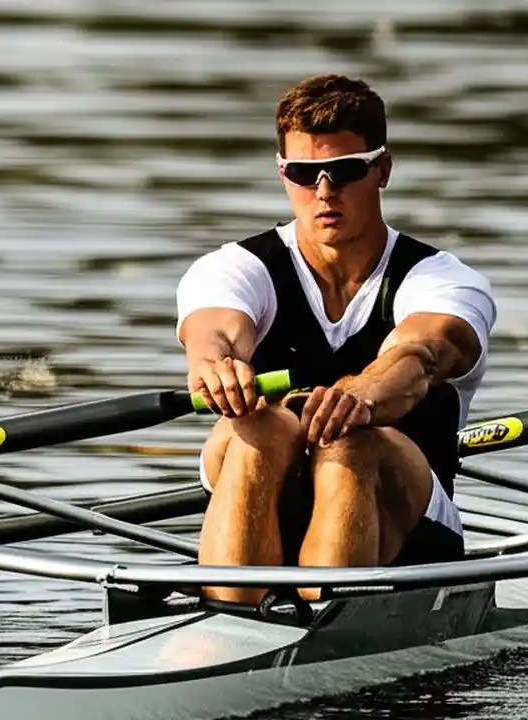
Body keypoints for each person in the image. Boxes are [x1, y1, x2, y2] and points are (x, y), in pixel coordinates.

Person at [175, 74, 496, 602]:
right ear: (283, 174)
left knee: (347, 440)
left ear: (382, 170)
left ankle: (317, 616)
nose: (324, 191)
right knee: (259, 426)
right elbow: (215, 331)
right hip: (268, 492)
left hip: (406, 527)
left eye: (345, 171)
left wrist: (364, 395)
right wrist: (213, 365)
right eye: (304, 173)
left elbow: (422, 352)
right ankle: (230, 616)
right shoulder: (233, 269)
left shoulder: (442, 280)